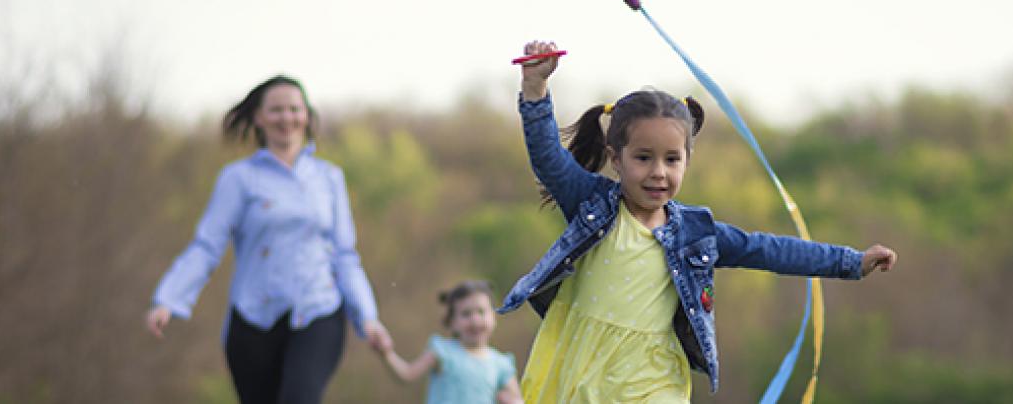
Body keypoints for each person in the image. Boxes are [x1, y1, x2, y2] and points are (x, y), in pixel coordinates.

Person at [500, 41, 898, 402]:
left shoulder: (696, 235)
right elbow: (549, 159)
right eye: (643, 158)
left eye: (672, 159)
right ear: (615, 157)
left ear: (687, 161)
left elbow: (770, 250)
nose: (659, 172)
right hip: (583, 368)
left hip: (652, 377)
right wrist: (535, 89)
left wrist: (850, 261)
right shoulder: (592, 204)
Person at [145, 74, 389, 404]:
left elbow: (345, 255)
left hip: (318, 311)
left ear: (306, 115)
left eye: (294, 109)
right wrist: (169, 299)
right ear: (259, 117)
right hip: (253, 319)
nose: (286, 118)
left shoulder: (329, 178)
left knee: (299, 398)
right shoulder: (238, 178)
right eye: (275, 110)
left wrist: (368, 317)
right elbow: (207, 246)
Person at [375, 280, 522, 403]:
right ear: (452, 322)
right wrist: (386, 353)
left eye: (481, 312)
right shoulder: (443, 352)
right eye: (466, 314)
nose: (475, 320)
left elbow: (518, 399)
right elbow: (407, 374)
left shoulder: (501, 364)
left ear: (494, 317)